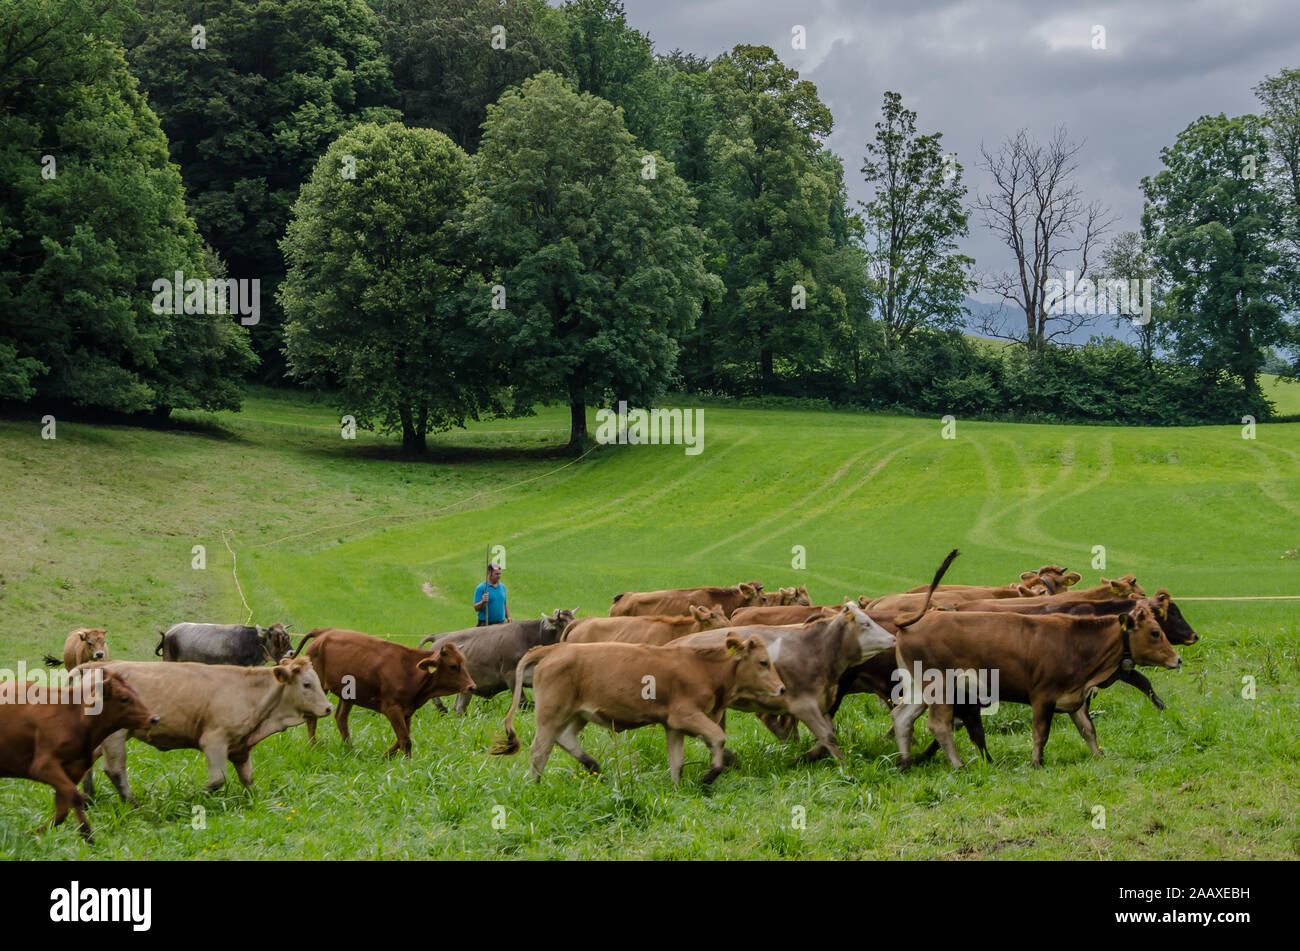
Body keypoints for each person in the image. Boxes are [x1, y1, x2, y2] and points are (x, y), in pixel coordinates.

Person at [473, 562, 511, 627]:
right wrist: (482, 602)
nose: (499, 576)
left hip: (501, 624)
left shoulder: (502, 587)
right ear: (489, 573)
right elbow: (476, 608)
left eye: (500, 574)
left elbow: (504, 603)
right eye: (496, 574)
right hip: (486, 624)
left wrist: (508, 617)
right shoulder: (481, 588)